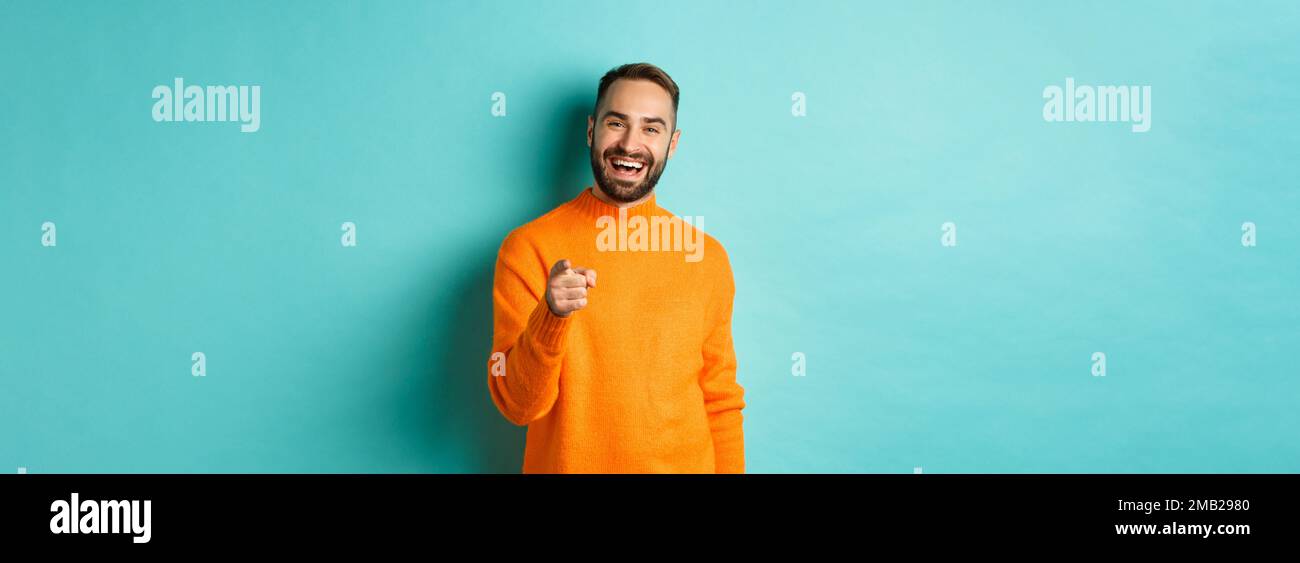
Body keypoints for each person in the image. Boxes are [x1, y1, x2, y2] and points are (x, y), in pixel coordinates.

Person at [487, 62, 744, 473]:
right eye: (616, 122)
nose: (630, 144)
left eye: (651, 128)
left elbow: (721, 400)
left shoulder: (706, 257)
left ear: (672, 143)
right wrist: (550, 316)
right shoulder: (528, 249)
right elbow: (519, 407)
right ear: (591, 130)